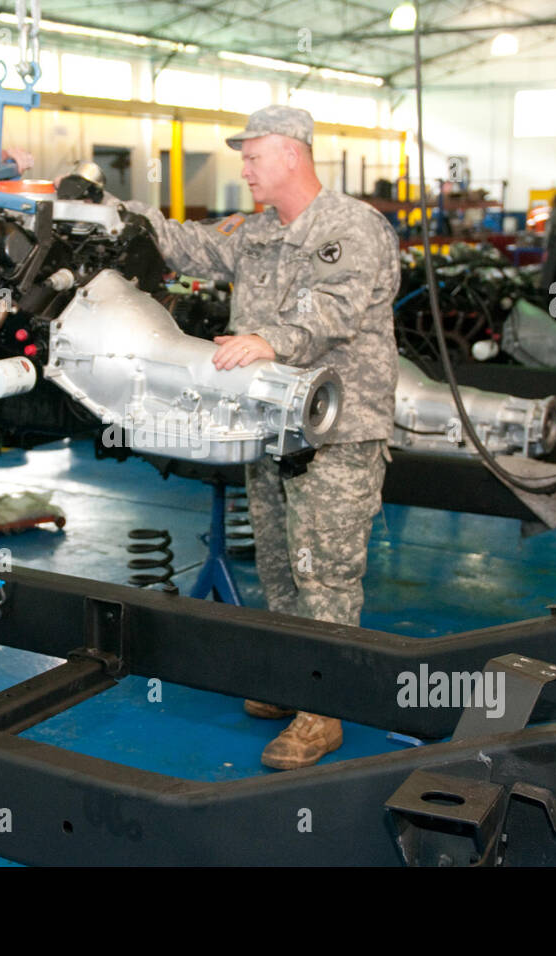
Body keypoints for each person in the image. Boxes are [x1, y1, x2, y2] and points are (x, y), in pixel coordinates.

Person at [124, 105, 400, 770]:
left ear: (291, 154)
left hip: (337, 431)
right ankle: (289, 681)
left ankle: (324, 710)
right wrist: (114, 212)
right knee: (278, 565)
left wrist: (266, 341)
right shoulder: (260, 231)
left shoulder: (349, 227)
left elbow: (333, 310)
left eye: (253, 155)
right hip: (271, 426)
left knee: (324, 573)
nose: (243, 167)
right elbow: (194, 248)